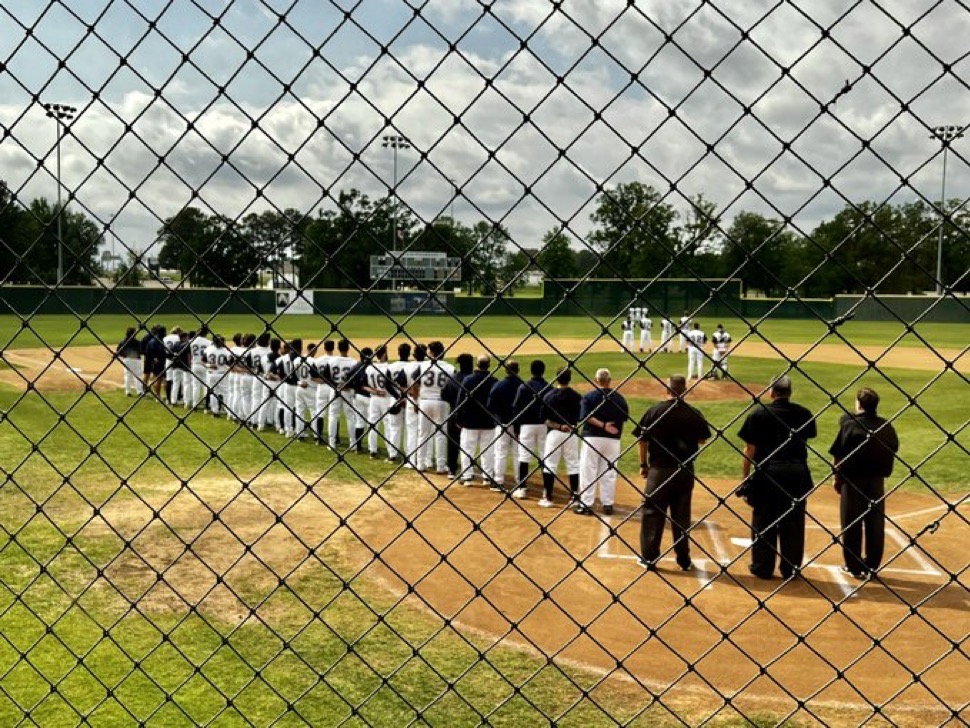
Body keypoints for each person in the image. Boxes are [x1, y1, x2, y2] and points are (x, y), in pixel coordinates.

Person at [738, 375, 817, 580]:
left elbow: (749, 450)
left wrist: (745, 479)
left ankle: (763, 567)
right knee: (793, 523)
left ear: (771, 392)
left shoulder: (758, 414)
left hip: (768, 475)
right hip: (797, 475)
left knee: (764, 521)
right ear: (789, 393)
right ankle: (790, 569)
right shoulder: (804, 413)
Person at [633, 375, 711, 571]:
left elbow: (642, 440)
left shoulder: (654, 411)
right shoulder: (694, 413)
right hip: (684, 471)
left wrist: (643, 464)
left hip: (659, 471)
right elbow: (702, 439)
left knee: (652, 514)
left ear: (667, 389)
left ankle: (649, 558)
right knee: (682, 516)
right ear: (684, 390)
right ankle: (684, 560)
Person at [829, 388, 899, 579]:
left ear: (859, 404)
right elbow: (894, 448)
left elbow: (838, 454)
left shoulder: (850, 426)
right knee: (875, 524)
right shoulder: (886, 426)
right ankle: (872, 566)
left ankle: (854, 566)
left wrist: (836, 477)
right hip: (877, 483)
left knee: (851, 523)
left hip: (852, 482)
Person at [575, 368, 629, 516]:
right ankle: (608, 504)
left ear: (596, 380)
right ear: (610, 380)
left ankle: (586, 504)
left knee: (588, 470)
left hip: (592, 438)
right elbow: (624, 417)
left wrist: (602, 425)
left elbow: (585, 416)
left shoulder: (589, 397)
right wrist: (608, 426)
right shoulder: (619, 398)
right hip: (613, 441)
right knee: (609, 472)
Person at [539, 367, 582, 507]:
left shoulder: (549, 396)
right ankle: (574, 498)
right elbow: (581, 416)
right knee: (573, 464)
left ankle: (548, 497)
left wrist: (558, 426)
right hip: (571, 433)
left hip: (553, 434)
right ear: (569, 379)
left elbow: (544, 419)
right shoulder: (576, 396)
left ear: (557, 378)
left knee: (550, 464)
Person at [455, 355, 498, 486]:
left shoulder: (468, 380)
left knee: (467, 449)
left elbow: (460, 400)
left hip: (470, 421)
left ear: (477, 364)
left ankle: (467, 477)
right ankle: (487, 477)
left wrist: (458, 418)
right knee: (488, 450)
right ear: (488, 365)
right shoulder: (494, 380)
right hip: (488, 421)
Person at [415, 341, 455, 474]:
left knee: (422, 434)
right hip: (441, 402)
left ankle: (420, 464)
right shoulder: (449, 367)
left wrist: (416, 401)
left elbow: (415, 383)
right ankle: (440, 466)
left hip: (425, 401)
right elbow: (453, 387)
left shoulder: (422, 366)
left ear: (431, 352)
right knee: (441, 434)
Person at [511, 359, 549, 499]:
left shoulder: (524, 387)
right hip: (543, 425)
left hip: (526, 426)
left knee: (524, 457)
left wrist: (516, 427)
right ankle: (546, 490)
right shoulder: (548, 387)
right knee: (545, 457)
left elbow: (516, 408)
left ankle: (522, 488)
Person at [487, 360, 523, 491]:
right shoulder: (523, 385)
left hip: (502, 424)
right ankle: (520, 482)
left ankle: (498, 481)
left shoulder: (499, 385)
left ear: (505, 370)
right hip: (519, 425)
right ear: (517, 370)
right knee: (518, 454)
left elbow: (491, 406)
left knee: (500, 453)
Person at [442, 353, 475, 478]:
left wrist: (453, 403)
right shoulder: (473, 379)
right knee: (469, 445)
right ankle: (468, 471)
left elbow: (444, 394)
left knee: (453, 442)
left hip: (454, 412)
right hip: (471, 415)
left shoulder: (453, 378)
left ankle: (451, 469)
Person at [116, 326, 144, 396]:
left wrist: (125, 356)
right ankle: (139, 392)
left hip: (127, 360)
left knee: (127, 376)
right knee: (138, 376)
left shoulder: (123, 342)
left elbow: (118, 351)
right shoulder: (137, 342)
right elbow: (141, 351)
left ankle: (128, 392)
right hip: (136, 360)